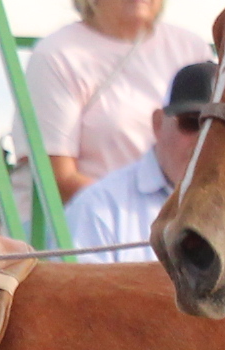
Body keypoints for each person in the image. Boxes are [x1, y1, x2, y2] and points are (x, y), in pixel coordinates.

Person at [25, 0, 212, 203]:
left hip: (173, 220)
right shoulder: (57, 55)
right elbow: (58, 178)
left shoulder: (191, 49)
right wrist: (135, 215)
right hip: (86, 220)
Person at [65, 62, 213, 265]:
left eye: (219, 130)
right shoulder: (99, 207)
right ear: (158, 123)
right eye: (192, 122)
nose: (205, 140)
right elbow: (81, 293)